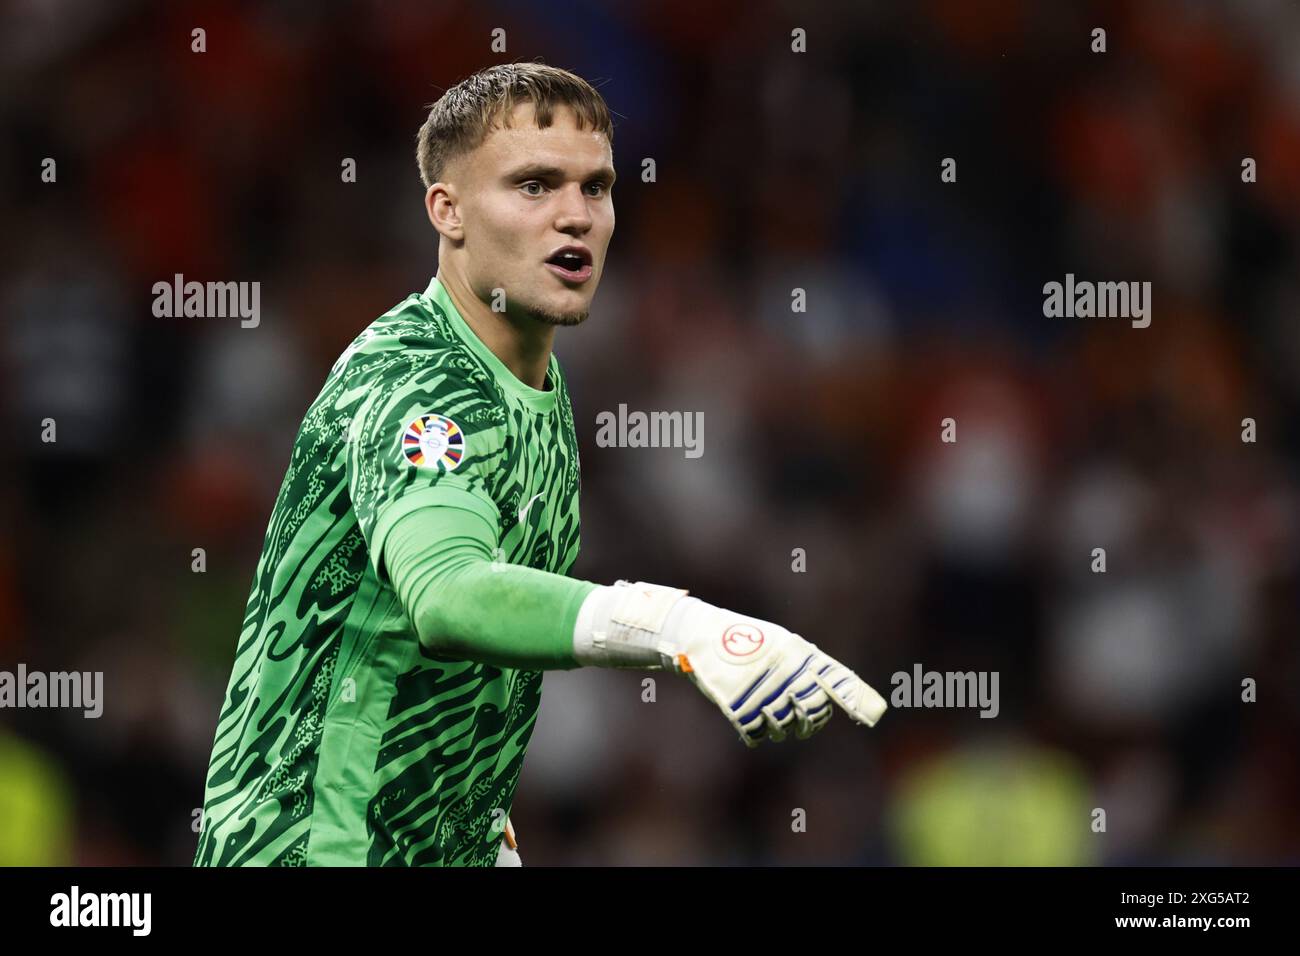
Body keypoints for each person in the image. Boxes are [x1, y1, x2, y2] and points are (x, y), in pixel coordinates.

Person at [194, 61, 886, 868]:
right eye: (534, 186)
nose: (575, 216)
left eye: (595, 188)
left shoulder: (539, 384)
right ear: (446, 211)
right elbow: (448, 598)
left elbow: (443, 668)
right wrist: (673, 623)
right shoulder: (418, 381)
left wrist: (477, 826)